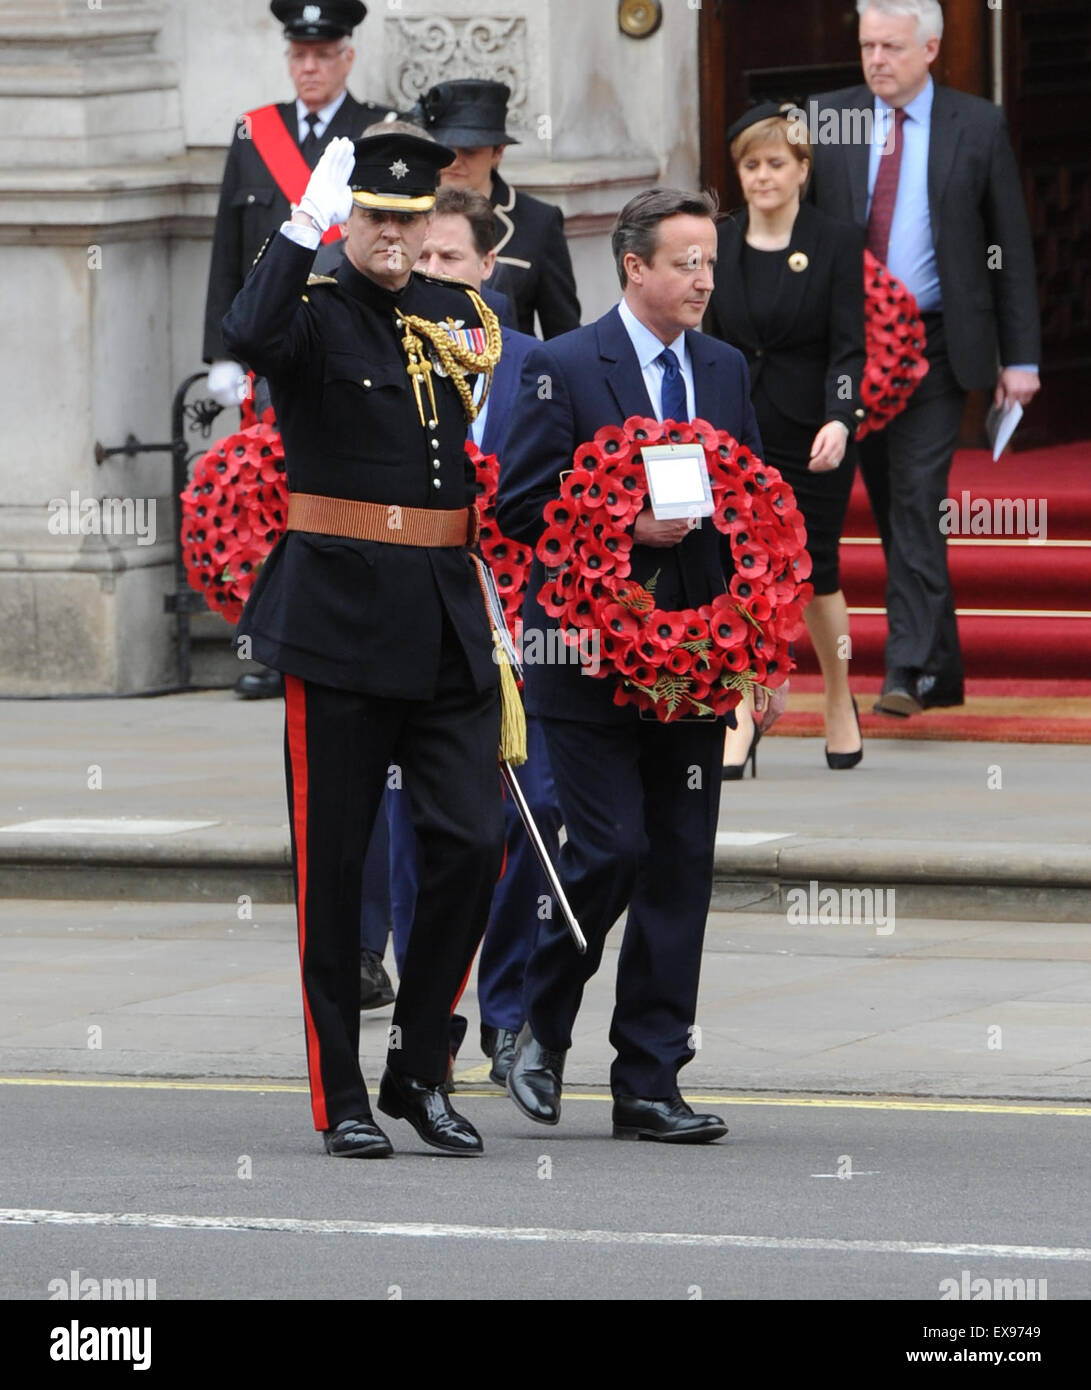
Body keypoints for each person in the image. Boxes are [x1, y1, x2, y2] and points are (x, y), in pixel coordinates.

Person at [221, 131, 506, 1159]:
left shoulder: (454, 313)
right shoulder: (310, 308)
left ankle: (419, 1066)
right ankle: (340, 1090)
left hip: (442, 616)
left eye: (409, 217)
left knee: (472, 840)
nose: (393, 234)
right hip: (338, 619)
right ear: (350, 217)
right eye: (376, 215)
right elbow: (247, 331)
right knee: (335, 870)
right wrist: (300, 225)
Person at [496, 188, 763, 1143]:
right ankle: (538, 1017)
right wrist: (624, 523)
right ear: (634, 267)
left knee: (679, 870)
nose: (703, 280)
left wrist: (755, 654)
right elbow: (520, 505)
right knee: (609, 850)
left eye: (709, 262)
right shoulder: (563, 365)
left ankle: (649, 1082)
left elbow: (755, 510)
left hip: (692, 662)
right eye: (685, 263)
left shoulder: (723, 368)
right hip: (586, 659)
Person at [808, 0, 1041, 716]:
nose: (876, 59)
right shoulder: (828, 117)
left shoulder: (977, 124)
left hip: (934, 346)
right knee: (884, 501)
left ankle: (905, 670)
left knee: (915, 496)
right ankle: (940, 668)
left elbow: (1008, 246)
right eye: (867, 46)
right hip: (848, 348)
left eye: (892, 47)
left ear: (931, 48)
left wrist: (1020, 359)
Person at [203, 0, 391, 700]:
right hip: (273, 345)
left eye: (323, 54)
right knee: (268, 497)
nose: (309, 67)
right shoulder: (255, 131)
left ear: (347, 57)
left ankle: (343, 641)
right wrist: (221, 350)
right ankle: (272, 643)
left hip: (348, 342)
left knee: (339, 493)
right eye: (299, 55)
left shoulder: (377, 130)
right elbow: (228, 245)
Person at [706, 103, 866, 772]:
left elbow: (849, 348)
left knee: (816, 571)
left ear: (802, 169)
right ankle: (742, 710)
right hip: (738, 433)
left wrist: (841, 417)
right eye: (750, 165)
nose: (762, 176)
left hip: (814, 435)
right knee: (737, 567)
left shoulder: (835, 241)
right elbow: (708, 339)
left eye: (776, 163)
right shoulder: (718, 239)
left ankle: (837, 696)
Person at [412, 78, 581, 339]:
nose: (454, 161)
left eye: (469, 150)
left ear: (497, 153)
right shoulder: (410, 213)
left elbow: (563, 333)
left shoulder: (539, 222)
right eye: (445, 149)